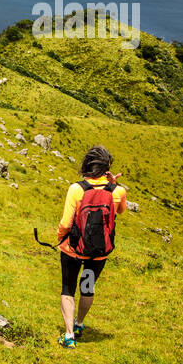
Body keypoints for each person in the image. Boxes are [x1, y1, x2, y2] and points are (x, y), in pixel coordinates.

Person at [54, 145, 127, 348]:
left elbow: (66, 224)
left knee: (68, 288)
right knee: (87, 287)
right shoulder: (118, 191)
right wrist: (114, 185)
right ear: (107, 167)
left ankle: (68, 336)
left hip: (73, 250)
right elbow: (120, 211)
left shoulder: (76, 189)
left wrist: (61, 238)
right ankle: (79, 324)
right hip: (98, 253)